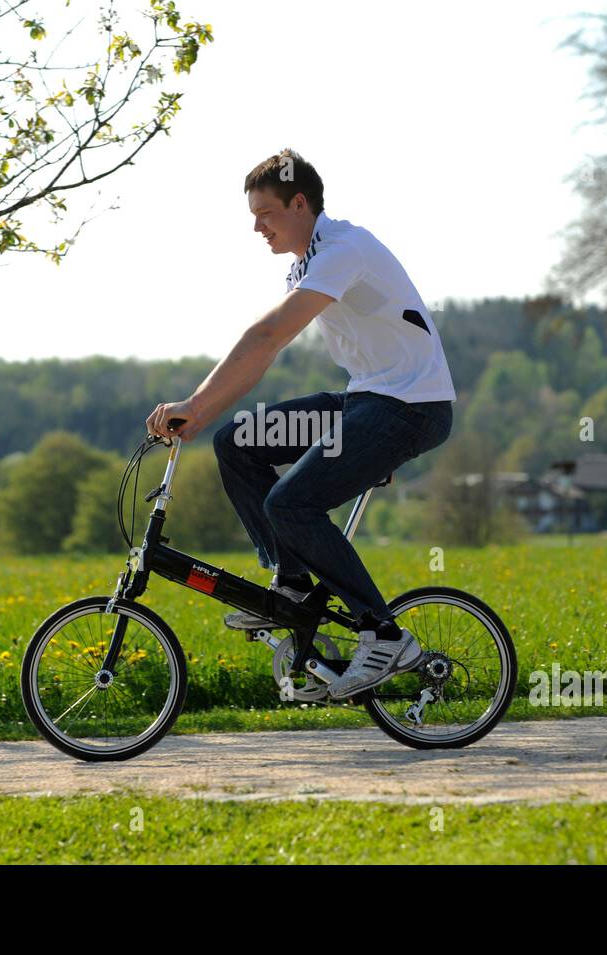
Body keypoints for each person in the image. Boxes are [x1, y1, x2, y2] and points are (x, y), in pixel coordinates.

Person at [145, 148, 455, 698]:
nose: (256, 227)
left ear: (300, 202)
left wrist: (195, 399)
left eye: (265, 213)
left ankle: (383, 634)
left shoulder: (341, 249)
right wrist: (205, 415)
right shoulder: (306, 262)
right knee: (238, 443)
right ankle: (291, 585)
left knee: (290, 503)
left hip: (409, 407)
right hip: (365, 403)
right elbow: (264, 356)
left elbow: (267, 337)